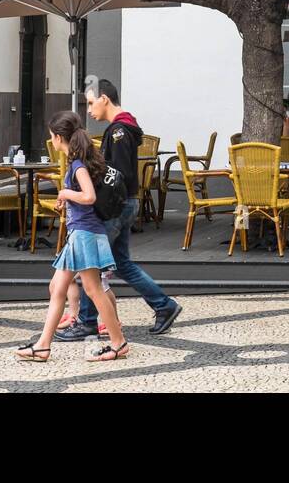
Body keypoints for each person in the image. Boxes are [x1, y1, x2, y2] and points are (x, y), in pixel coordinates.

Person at [55, 79, 181, 342]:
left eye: (91, 103)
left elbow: (117, 175)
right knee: (120, 263)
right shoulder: (124, 127)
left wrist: (96, 196)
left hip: (117, 207)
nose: (89, 110)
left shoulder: (118, 132)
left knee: (92, 264)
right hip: (125, 204)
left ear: (104, 99)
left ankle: (88, 322)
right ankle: (163, 305)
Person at [16, 110, 128, 362]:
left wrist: (65, 194)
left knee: (93, 289)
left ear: (57, 138)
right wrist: (65, 197)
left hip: (85, 234)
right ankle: (43, 345)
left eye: (51, 136)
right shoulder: (81, 161)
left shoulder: (77, 164)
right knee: (57, 287)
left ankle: (118, 342)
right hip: (82, 233)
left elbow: (89, 197)